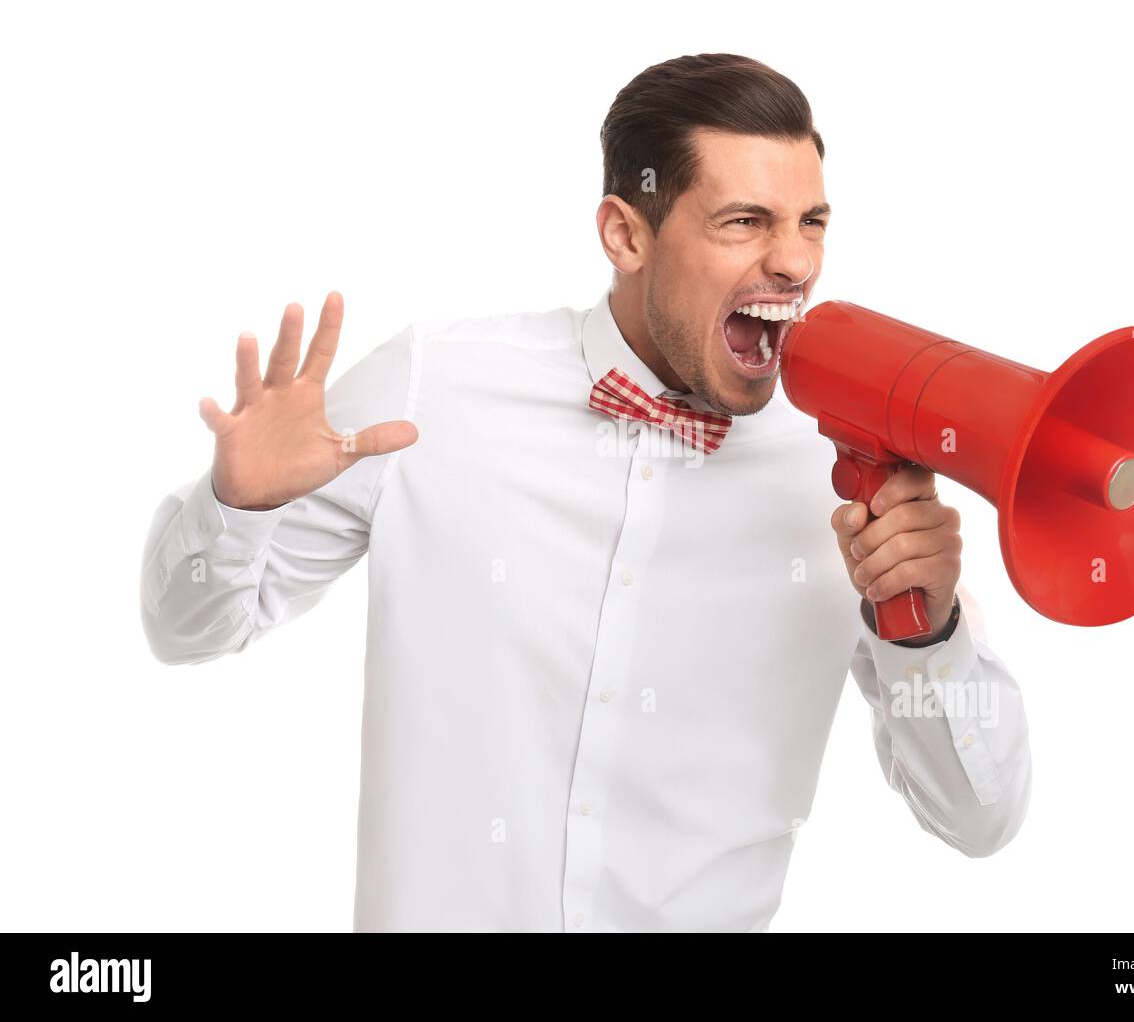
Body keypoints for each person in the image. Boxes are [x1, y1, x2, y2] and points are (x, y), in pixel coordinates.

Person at [140, 53, 1031, 933]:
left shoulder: (839, 463)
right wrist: (235, 507)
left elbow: (979, 820)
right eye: (745, 221)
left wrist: (928, 624)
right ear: (625, 234)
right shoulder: (435, 389)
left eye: (813, 221)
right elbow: (186, 631)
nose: (795, 262)